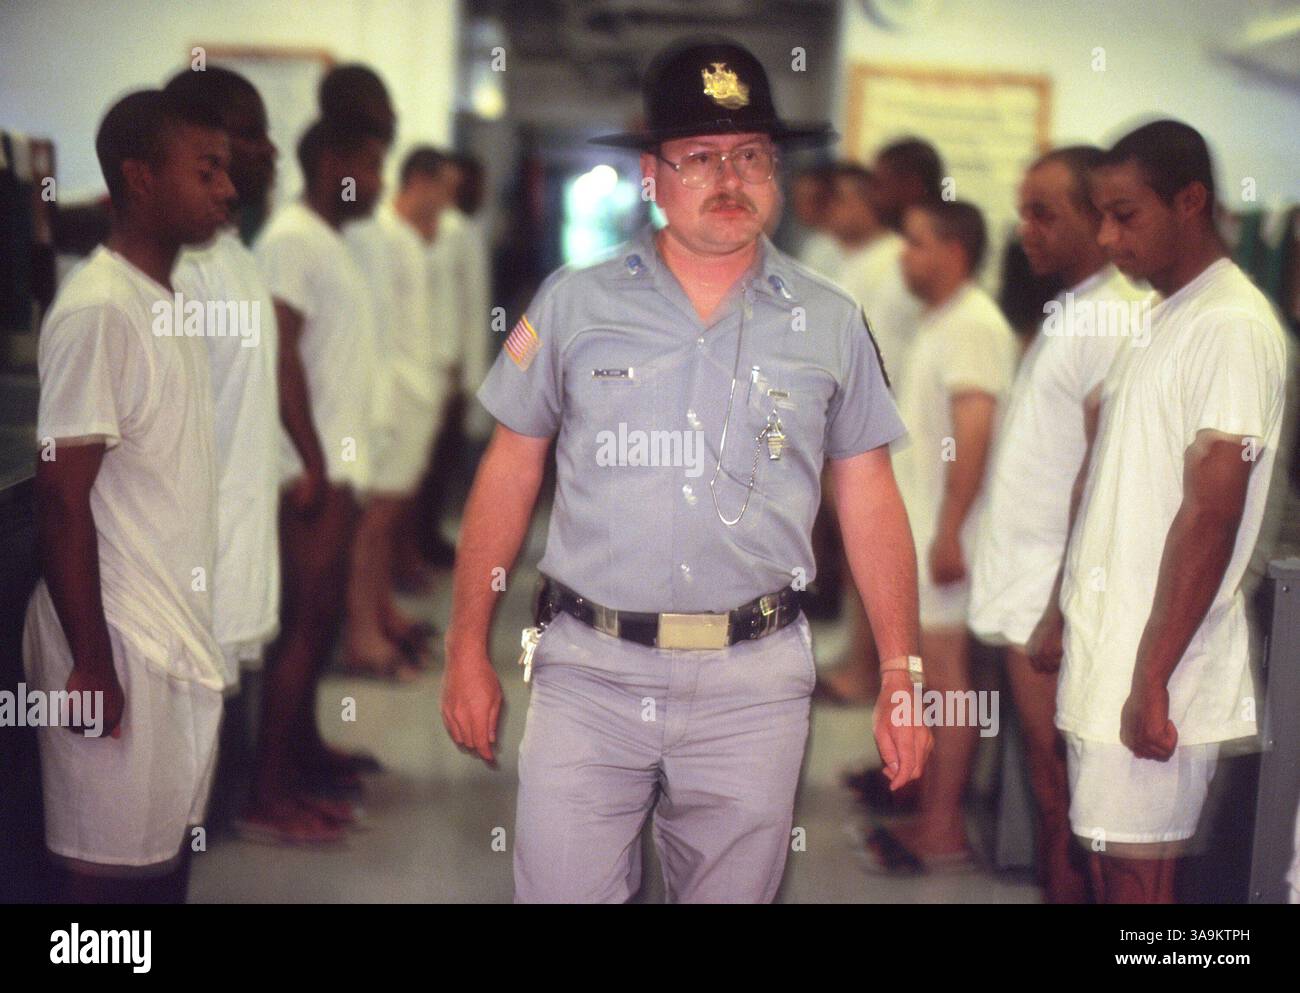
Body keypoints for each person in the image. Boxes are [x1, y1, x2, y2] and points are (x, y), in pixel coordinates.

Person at [440, 36, 931, 903]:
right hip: (589, 669)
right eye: (699, 158)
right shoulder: (572, 303)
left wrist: (901, 672)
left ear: (776, 169)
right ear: (650, 175)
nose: (728, 179)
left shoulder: (830, 320)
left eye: (749, 156)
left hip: (755, 680)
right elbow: (508, 471)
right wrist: (464, 646)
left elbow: (869, 495)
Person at [1028, 119, 1289, 903]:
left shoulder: (1232, 326)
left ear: (1191, 201)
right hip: (1110, 653)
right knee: (1113, 871)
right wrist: (1062, 610)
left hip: (1159, 668)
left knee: (1142, 886)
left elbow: (1211, 514)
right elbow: (1116, 488)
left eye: (1125, 214)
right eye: (1099, 215)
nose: (1107, 236)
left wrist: (1152, 678)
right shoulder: (1161, 317)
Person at [24, 89, 233, 901]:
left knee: (155, 873)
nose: (226, 188)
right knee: (103, 884)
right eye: (206, 169)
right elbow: (61, 498)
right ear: (140, 179)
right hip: (112, 639)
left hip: (166, 635)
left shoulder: (161, 301)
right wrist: (90, 660)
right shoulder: (99, 309)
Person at [968, 146, 1148, 902]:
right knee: (1048, 793)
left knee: (1067, 800)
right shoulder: (1071, 306)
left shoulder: (1115, 315)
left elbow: (1102, 477)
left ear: (1097, 216)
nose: (1026, 229)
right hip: (1025, 587)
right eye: (1023, 211)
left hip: (1056, 598)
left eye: (1046, 212)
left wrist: (1060, 609)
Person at [863, 199, 1017, 873]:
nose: (904, 255)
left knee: (947, 685)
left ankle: (942, 827)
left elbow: (974, 431)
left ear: (954, 251)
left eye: (917, 242)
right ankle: (925, 804)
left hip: (945, 542)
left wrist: (950, 531)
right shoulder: (947, 320)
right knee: (933, 684)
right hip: (926, 533)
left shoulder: (973, 326)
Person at [245, 118, 387, 844]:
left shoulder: (328, 240)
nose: (380, 177)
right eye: (371, 160)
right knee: (300, 628)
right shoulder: (293, 239)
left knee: (320, 621)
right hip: (312, 470)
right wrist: (310, 458)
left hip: (335, 462)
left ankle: (302, 754)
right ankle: (269, 788)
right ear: (332, 161)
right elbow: (280, 353)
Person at [164, 64, 286, 831]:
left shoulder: (238, 257)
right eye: (246, 135)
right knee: (158, 799)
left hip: (238, 543)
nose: (267, 151)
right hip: (186, 563)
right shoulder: (178, 271)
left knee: (200, 761)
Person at [816, 140, 941, 711]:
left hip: (894, 429)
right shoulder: (878, 259)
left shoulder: (907, 258)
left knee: (877, 550)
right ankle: (856, 659)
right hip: (860, 423)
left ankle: (870, 669)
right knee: (852, 548)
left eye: (883, 183)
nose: (872, 193)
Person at [343, 147, 448, 675]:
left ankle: (379, 610)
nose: (447, 201)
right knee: (374, 519)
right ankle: (360, 632)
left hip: (414, 392)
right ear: (420, 182)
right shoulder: (377, 236)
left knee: (391, 515)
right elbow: (375, 332)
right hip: (391, 395)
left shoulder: (409, 239)